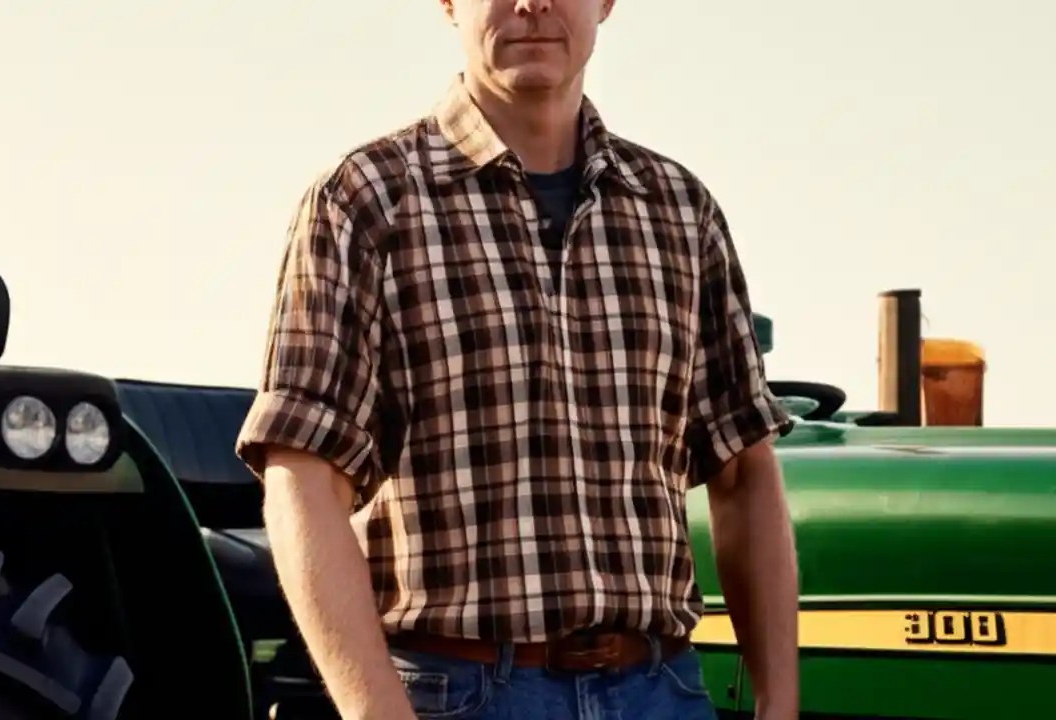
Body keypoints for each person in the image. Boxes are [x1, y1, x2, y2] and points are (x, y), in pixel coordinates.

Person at [235, 0, 801, 718]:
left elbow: (745, 469)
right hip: (459, 692)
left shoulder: (678, 211)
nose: (533, 4)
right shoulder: (366, 202)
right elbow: (303, 476)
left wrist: (779, 706)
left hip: (662, 690)